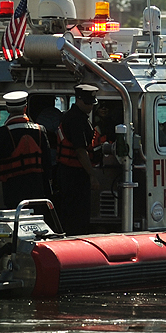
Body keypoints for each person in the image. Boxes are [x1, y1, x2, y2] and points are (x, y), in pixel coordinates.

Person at [0, 90, 53, 209]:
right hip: (37, 186)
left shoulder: (3, 133)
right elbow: (47, 161)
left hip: (13, 187)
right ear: (25, 108)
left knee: (15, 216)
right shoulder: (40, 130)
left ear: (8, 109)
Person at [55, 84, 101, 234]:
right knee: (77, 213)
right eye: (87, 103)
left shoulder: (73, 116)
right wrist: (92, 175)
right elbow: (81, 151)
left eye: (92, 103)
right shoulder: (76, 120)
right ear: (78, 100)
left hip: (69, 172)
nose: (90, 106)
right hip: (74, 174)